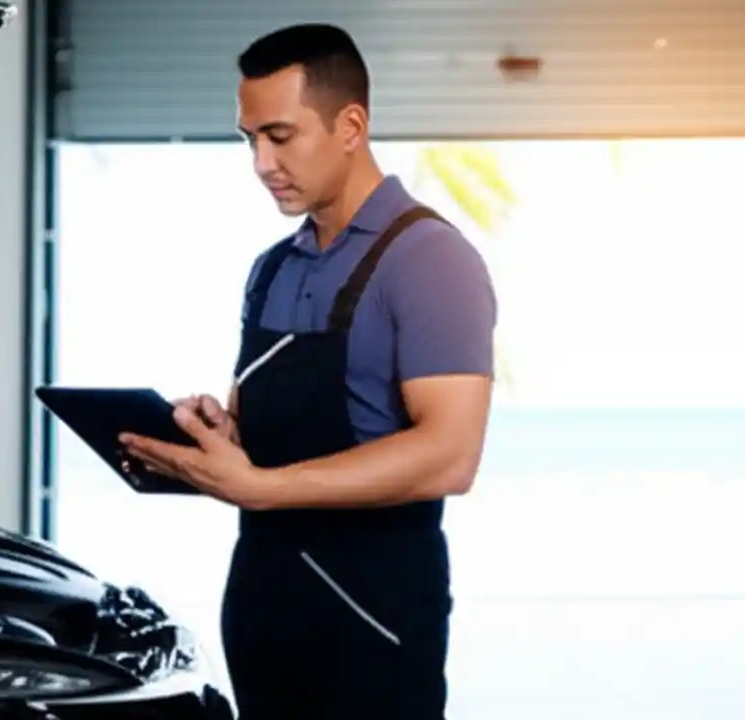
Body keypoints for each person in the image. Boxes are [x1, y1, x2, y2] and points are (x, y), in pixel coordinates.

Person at [118, 23, 496, 719]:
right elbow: (266, 433)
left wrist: (260, 487)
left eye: (280, 136)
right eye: (249, 139)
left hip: (372, 622)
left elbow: (450, 455)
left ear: (350, 125)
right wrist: (220, 439)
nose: (261, 162)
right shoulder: (272, 268)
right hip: (263, 607)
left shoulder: (429, 260)